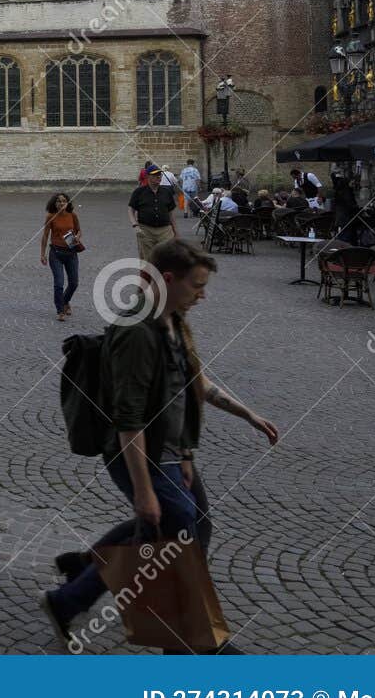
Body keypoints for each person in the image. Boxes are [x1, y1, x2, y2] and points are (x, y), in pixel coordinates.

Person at [39, 240, 280, 650]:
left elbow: (190, 384)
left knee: (183, 527)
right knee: (177, 530)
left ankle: (75, 587)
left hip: (171, 451)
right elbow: (127, 418)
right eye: (197, 286)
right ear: (168, 280)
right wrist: (145, 491)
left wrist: (245, 415)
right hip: (142, 453)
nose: (203, 295)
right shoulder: (136, 331)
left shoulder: (174, 319)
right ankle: (194, 642)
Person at [39, 193, 82, 321]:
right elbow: (45, 235)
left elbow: (79, 230)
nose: (61, 203)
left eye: (64, 201)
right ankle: (60, 310)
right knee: (59, 283)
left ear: (67, 203)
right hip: (56, 253)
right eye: (58, 201)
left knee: (74, 283)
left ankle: (65, 301)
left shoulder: (73, 215)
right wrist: (43, 254)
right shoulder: (50, 216)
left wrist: (77, 237)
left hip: (71, 253)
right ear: (54, 203)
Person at [128, 164, 179, 260]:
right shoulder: (139, 192)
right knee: (147, 259)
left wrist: (176, 232)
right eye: (155, 175)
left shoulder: (166, 192)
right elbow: (131, 209)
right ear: (148, 176)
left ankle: (163, 275)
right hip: (146, 230)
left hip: (165, 230)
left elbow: (171, 213)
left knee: (166, 258)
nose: (159, 176)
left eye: (160, 174)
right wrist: (135, 225)